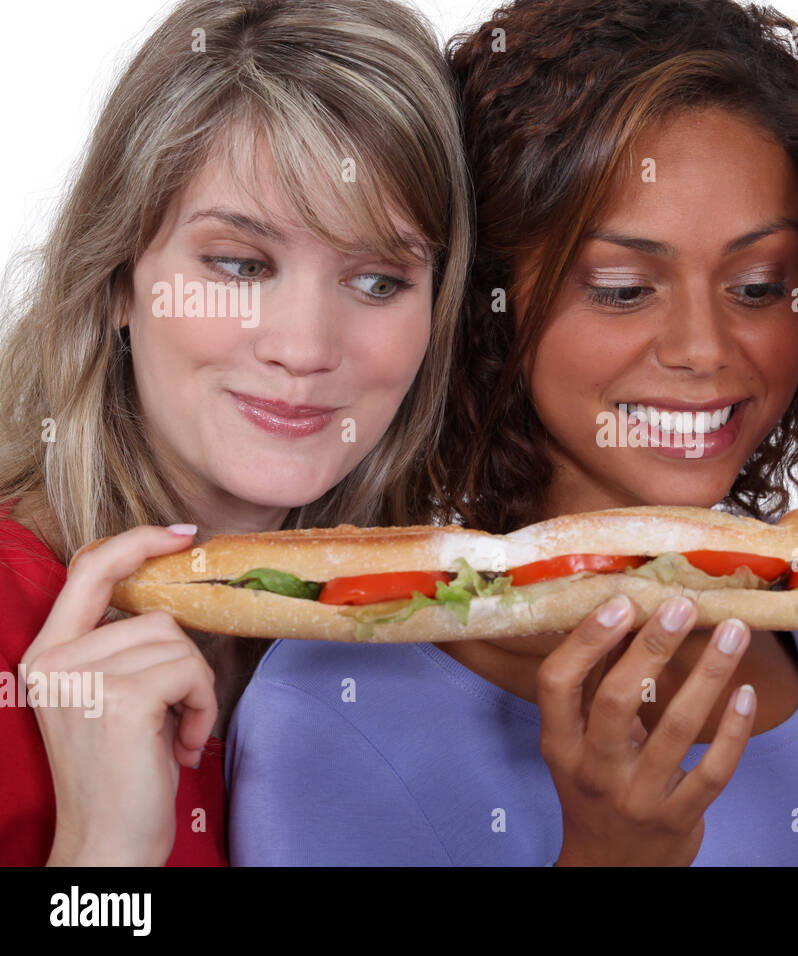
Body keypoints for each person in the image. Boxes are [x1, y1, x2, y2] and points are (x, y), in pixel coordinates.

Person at [228, 0, 798, 866]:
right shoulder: (331, 701)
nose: (704, 350)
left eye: (759, 285)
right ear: (488, 305)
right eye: (623, 288)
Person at [0, 0, 471, 865]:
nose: (304, 349)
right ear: (116, 281)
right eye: (240, 265)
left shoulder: (435, 646)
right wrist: (101, 851)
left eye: (376, 281)